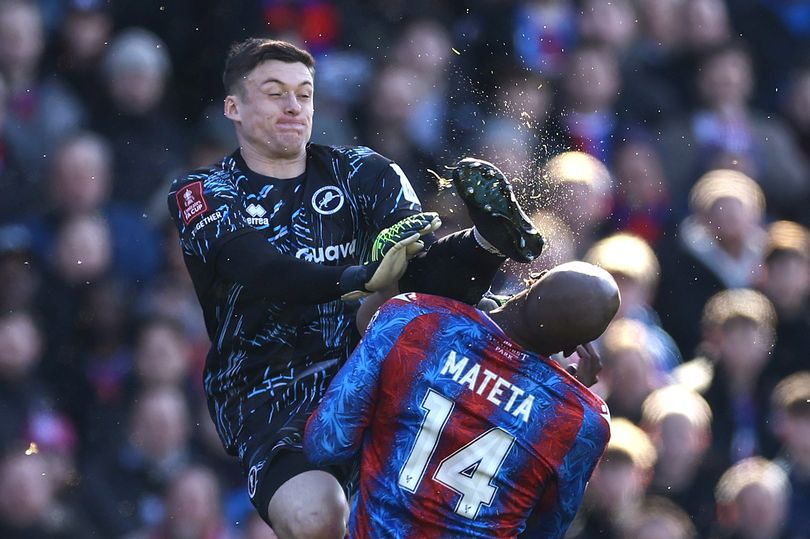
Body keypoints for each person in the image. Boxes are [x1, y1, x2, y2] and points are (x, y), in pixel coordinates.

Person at [166, 37, 545, 538]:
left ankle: (488, 242)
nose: (293, 105)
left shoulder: (365, 171)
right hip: (269, 392)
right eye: (274, 92)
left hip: (379, 369)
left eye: (304, 92)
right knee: (316, 517)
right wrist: (356, 278)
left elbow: (422, 277)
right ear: (233, 107)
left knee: (572, 296)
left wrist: (471, 259)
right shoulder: (203, 191)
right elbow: (259, 269)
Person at [304, 261, 620, 538]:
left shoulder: (414, 317)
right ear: (574, 348)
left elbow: (326, 442)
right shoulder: (583, 421)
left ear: (533, 279)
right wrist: (570, 395)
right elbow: (546, 531)